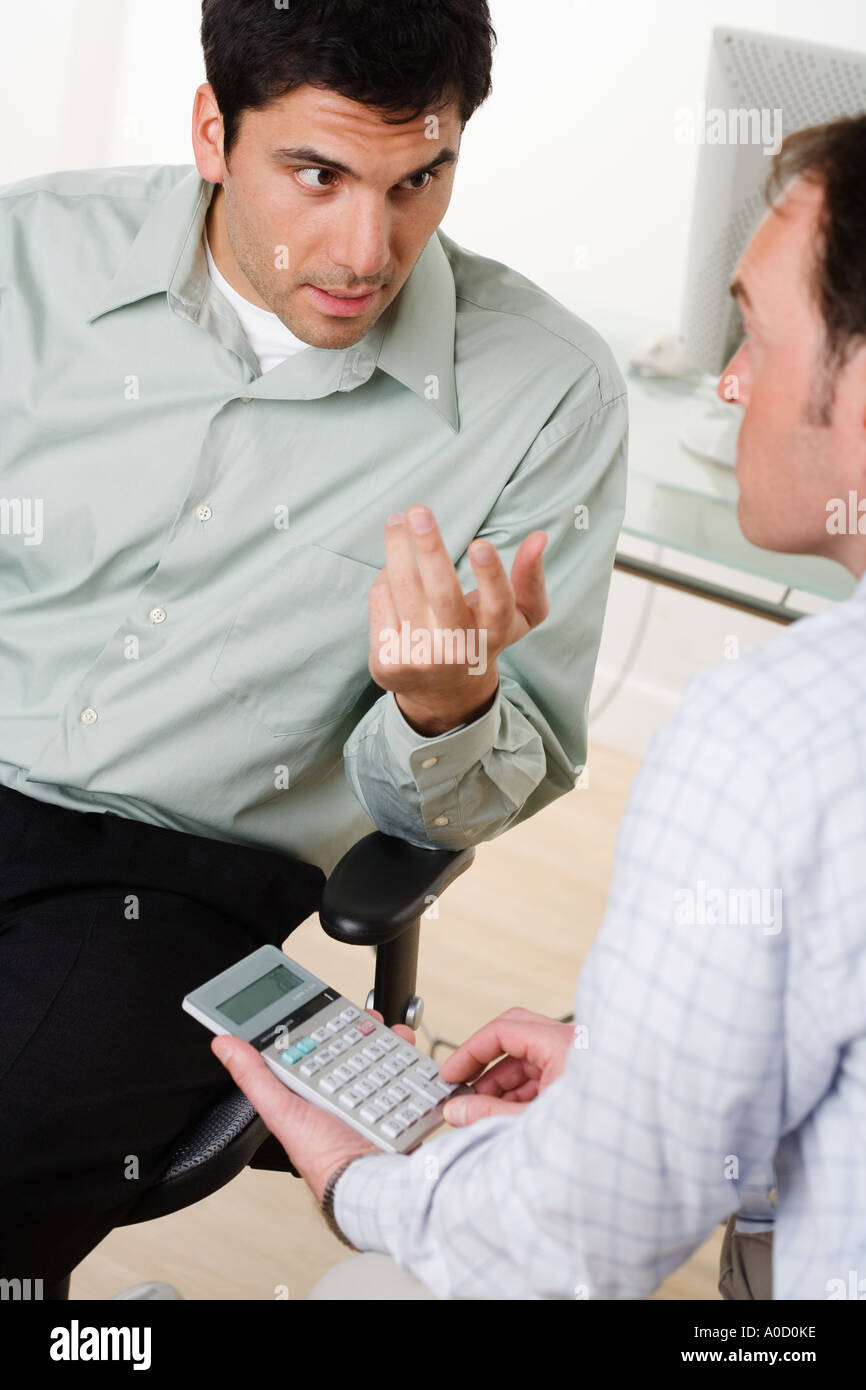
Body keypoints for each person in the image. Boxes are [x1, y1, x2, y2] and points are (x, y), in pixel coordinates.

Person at [0, 1, 626, 1289]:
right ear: (212, 132)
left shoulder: (544, 393)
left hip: (164, 885)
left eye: (419, 181)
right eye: (318, 174)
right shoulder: (32, 258)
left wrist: (445, 713)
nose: (366, 247)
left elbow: (511, 771)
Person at [215, 113, 866, 1300]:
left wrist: (356, 1178)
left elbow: (565, 1248)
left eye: (758, 337)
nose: (728, 381)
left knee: (367, 1289)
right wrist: (640, 1071)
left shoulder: (778, 740)